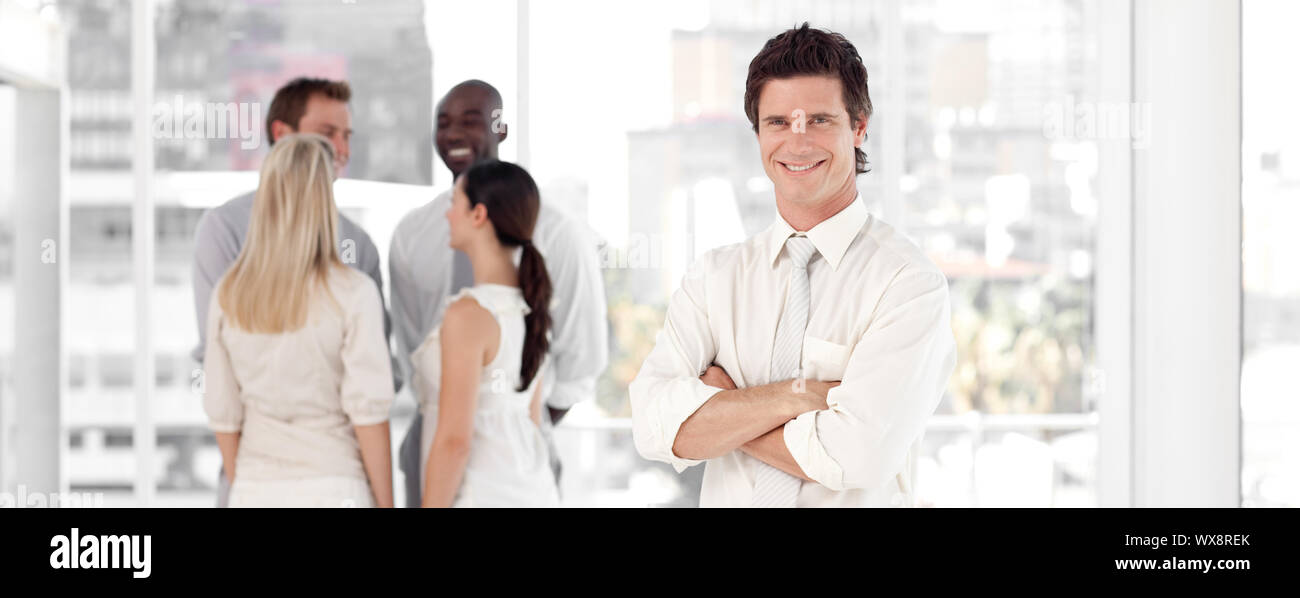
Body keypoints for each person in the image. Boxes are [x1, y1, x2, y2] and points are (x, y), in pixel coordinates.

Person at [629, 23, 957, 508]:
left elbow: (858, 454)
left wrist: (725, 407)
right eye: (778, 122)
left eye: (820, 120)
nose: (797, 142)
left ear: (860, 125)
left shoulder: (907, 283)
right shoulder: (714, 279)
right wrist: (799, 397)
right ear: (758, 132)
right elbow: (653, 425)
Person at [390, 80, 608, 507]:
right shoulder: (521, 301)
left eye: (470, 121)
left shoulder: (557, 235)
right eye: (443, 122)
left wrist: (502, 429)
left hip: (479, 481)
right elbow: (411, 348)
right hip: (521, 481)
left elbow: (457, 440)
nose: (453, 133)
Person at [190, 77, 394, 508]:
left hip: (256, 486)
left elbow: (222, 408)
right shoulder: (353, 292)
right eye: (327, 137)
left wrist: (246, 483)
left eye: (346, 136)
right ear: (282, 136)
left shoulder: (232, 292)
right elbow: (369, 410)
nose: (341, 150)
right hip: (336, 483)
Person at [416, 160, 559, 507]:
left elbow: (455, 441)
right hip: (534, 491)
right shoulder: (533, 308)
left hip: (484, 494)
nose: (448, 214)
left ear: (478, 214)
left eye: (455, 203)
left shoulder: (468, 315)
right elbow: (531, 420)